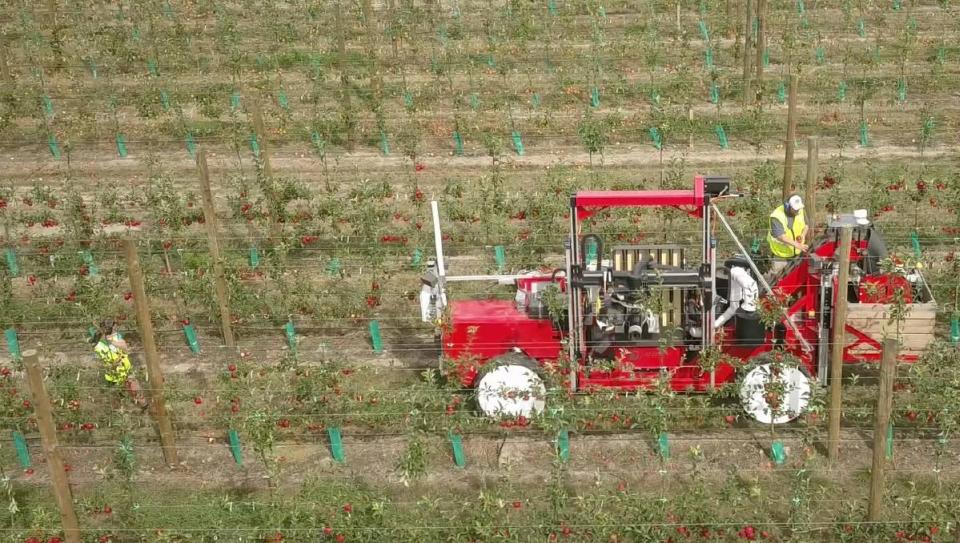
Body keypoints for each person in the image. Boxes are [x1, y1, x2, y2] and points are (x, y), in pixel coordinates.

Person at [92, 319, 148, 408]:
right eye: (110, 327)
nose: (113, 328)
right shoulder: (98, 345)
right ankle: (120, 411)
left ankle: (145, 406)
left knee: (136, 390)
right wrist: (112, 365)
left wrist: (112, 342)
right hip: (113, 376)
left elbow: (125, 348)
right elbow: (98, 363)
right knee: (117, 396)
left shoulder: (116, 337)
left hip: (126, 371)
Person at [766, 194, 808, 277]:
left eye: (798, 209)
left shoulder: (800, 210)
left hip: (796, 255)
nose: (797, 211)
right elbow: (781, 236)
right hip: (781, 257)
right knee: (777, 282)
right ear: (787, 206)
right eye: (795, 209)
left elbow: (806, 225)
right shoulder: (776, 216)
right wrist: (798, 245)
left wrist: (802, 235)